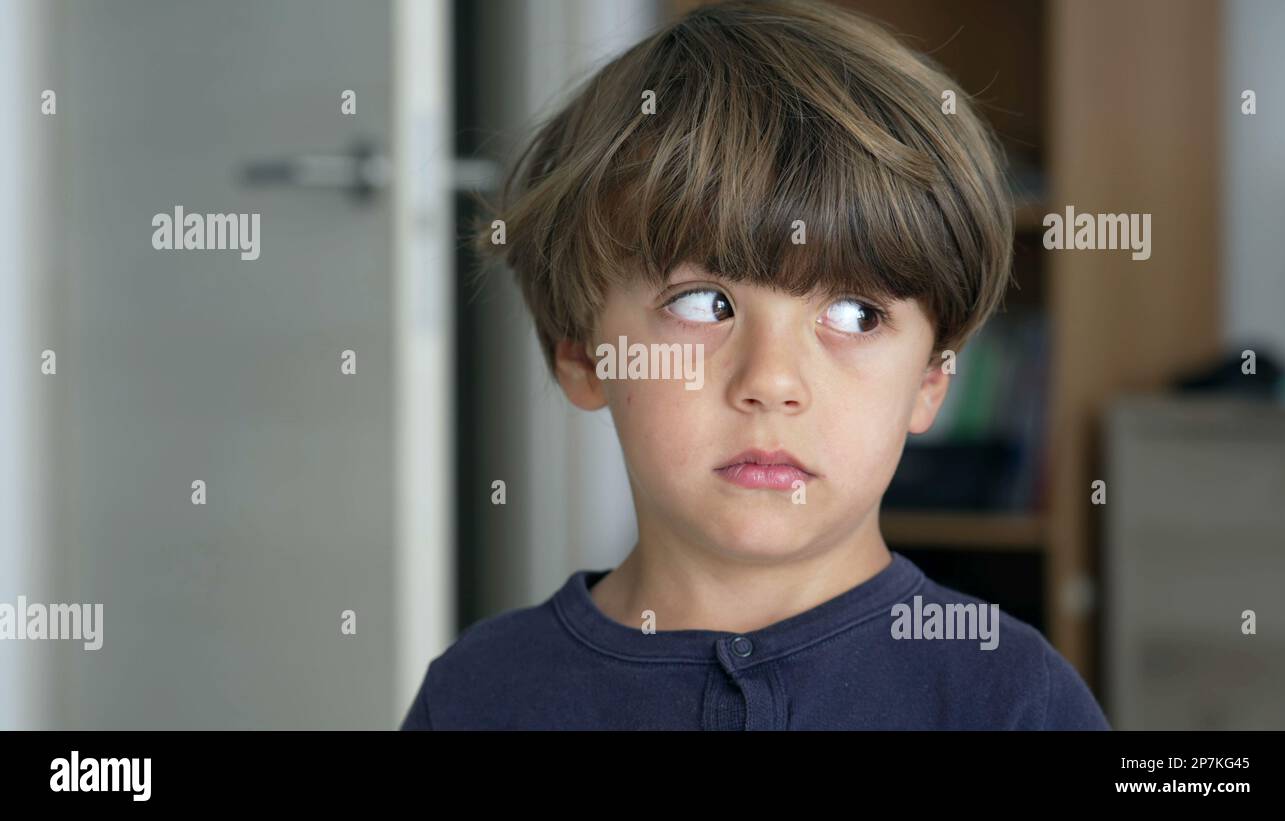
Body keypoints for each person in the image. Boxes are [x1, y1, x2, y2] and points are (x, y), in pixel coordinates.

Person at [402, 0, 1109, 730]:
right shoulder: (480, 695)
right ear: (582, 353)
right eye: (704, 303)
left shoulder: (1014, 698)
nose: (771, 381)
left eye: (855, 315)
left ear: (931, 379)